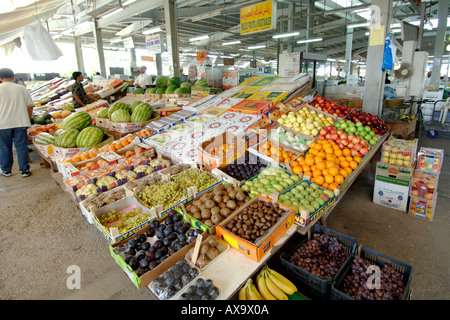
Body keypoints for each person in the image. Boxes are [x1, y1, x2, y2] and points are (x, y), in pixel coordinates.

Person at [0, 68, 33, 177]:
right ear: (13, 77)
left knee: (4, 147)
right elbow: (30, 106)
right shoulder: (21, 89)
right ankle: (24, 170)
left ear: (0, 78)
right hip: (20, 122)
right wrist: (27, 118)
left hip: (3, 123)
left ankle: (6, 170)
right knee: (21, 147)